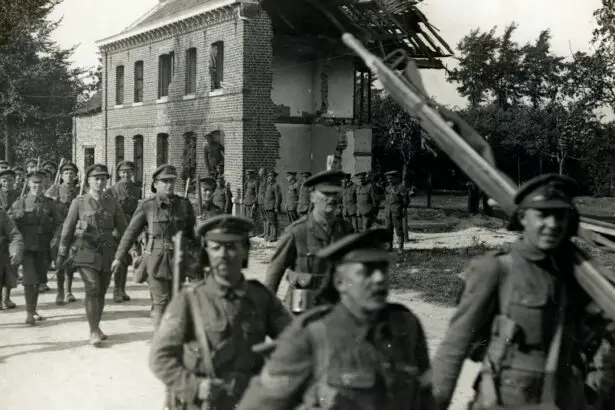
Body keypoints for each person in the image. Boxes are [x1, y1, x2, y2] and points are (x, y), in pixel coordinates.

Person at [432, 174, 615, 410]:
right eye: (542, 214)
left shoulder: (578, 275)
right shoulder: (497, 269)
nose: (552, 224)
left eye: (559, 215)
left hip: (567, 398)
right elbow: (454, 347)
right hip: (509, 400)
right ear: (522, 217)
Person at [237, 228, 434, 410]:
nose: (379, 279)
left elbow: (426, 398)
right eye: (366, 271)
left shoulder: (406, 325)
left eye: (383, 269)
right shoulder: (312, 335)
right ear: (340, 282)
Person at [149, 215, 292, 410]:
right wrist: (195, 387)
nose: (223, 254)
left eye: (232, 246)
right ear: (207, 253)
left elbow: (294, 340)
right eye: (216, 247)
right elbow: (160, 357)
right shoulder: (189, 299)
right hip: (204, 404)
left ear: (245, 251)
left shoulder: (260, 297)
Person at [112, 164, 196, 330]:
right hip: (156, 259)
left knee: (175, 301)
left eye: (172, 181)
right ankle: (162, 338)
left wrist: (197, 262)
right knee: (161, 302)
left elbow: (191, 236)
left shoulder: (184, 205)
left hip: (179, 260)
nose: (169, 184)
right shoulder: (148, 205)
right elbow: (130, 233)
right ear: (156, 184)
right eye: (164, 181)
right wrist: (118, 257)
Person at [263, 170, 354, 314]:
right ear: (312, 197)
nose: (331, 199)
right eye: (325, 194)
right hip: (301, 309)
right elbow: (274, 273)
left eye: (335, 194)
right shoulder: (297, 232)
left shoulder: (346, 231)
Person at [57, 164, 127, 346]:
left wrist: (125, 247)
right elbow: (67, 229)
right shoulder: (78, 202)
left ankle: (96, 326)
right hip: (85, 251)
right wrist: (62, 251)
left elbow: (124, 228)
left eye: (103, 178)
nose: (99, 181)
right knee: (92, 288)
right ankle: (93, 330)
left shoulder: (113, 202)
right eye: (96, 178)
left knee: (102, 290)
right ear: (88, 181)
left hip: (107, 252)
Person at [9, 170, 63, 324]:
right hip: (26, 247)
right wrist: (15, 215)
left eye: (40, 183)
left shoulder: (49, 203)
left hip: (44, 246)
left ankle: (32, 310)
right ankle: (29, 313)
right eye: (34, 183)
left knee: (38, 279)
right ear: (28, 185)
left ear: (45, 184)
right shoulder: (20, 202)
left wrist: (56, 237)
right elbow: (8, 223)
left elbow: (60, 223)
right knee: (29, 279)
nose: (37, 186)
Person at [46, 161, 80, 304]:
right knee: (59, 260)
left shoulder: (80, 191)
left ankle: (68, 291)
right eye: (66, 173)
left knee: (70, 261)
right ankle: (60, 291)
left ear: (76, 175)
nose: (69, 175)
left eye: (72, 173)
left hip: (75, 229)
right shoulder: (54, 189)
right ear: (61, 175)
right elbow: (46, 208)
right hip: (59, 229)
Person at [108, 160, 142, 303]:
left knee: (127, 261)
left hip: (133, 227)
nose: (126, 174)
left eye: (129, 172)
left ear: (133, 173)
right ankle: (116, 290)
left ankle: (122, 289)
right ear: (119, 173)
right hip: (117, 229)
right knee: (119, 260)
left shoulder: (136, 190)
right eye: (123, 172)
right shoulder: (112, 190)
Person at [0, 207, 24, 311]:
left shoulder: (1, 214)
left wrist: (15, 251)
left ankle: (5, 298)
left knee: (8, 265)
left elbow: (15, 235)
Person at [383, 170, 410, 253]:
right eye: (388, 179)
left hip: (396, 211)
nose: (389, 180)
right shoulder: (387, 188)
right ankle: (389, 247)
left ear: (395, 178)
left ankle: (400, 248)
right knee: (388, 230)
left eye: (391, 178)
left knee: (399, 230)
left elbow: (406, 200)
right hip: (388, 212)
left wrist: (402, 207)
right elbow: (387, 200)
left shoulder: (401, 187)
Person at [263, 170, 282, 242]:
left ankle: (274, 236)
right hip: (267, 206)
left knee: (273, 222)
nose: (269, 178)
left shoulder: (276, 185)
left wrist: (276, 207)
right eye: (269, 176)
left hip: (272, 206)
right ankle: (270, 235)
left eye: (271, 176)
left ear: (274, 177)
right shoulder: (268, 185)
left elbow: (278, 197)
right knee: (269, 221)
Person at [257, 167, 268, 237]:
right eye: (259, 173)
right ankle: (264, 232)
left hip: (265, 202)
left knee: (267, 218)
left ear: (264, 173)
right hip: (260, 202)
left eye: (260, 173)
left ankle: (267, 233)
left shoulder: (266, 182)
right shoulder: (260, 181)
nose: (259, 174)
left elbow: (267, 192)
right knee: (263, 218)